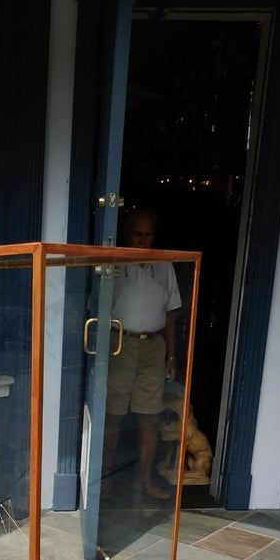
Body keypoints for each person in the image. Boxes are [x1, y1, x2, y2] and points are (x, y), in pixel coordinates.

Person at [103, 208, 181, 500]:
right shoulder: (113, 264)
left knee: (149, 417)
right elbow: (97, 307)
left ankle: (143, 481)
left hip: (153, 346)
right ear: (127, 234)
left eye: (148, 235)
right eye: (138, 234)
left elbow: (171, 314)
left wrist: (172, 356)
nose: (143, 240)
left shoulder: (163, 264)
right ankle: (106, 480)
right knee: (113, 415)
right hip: (120, 343)